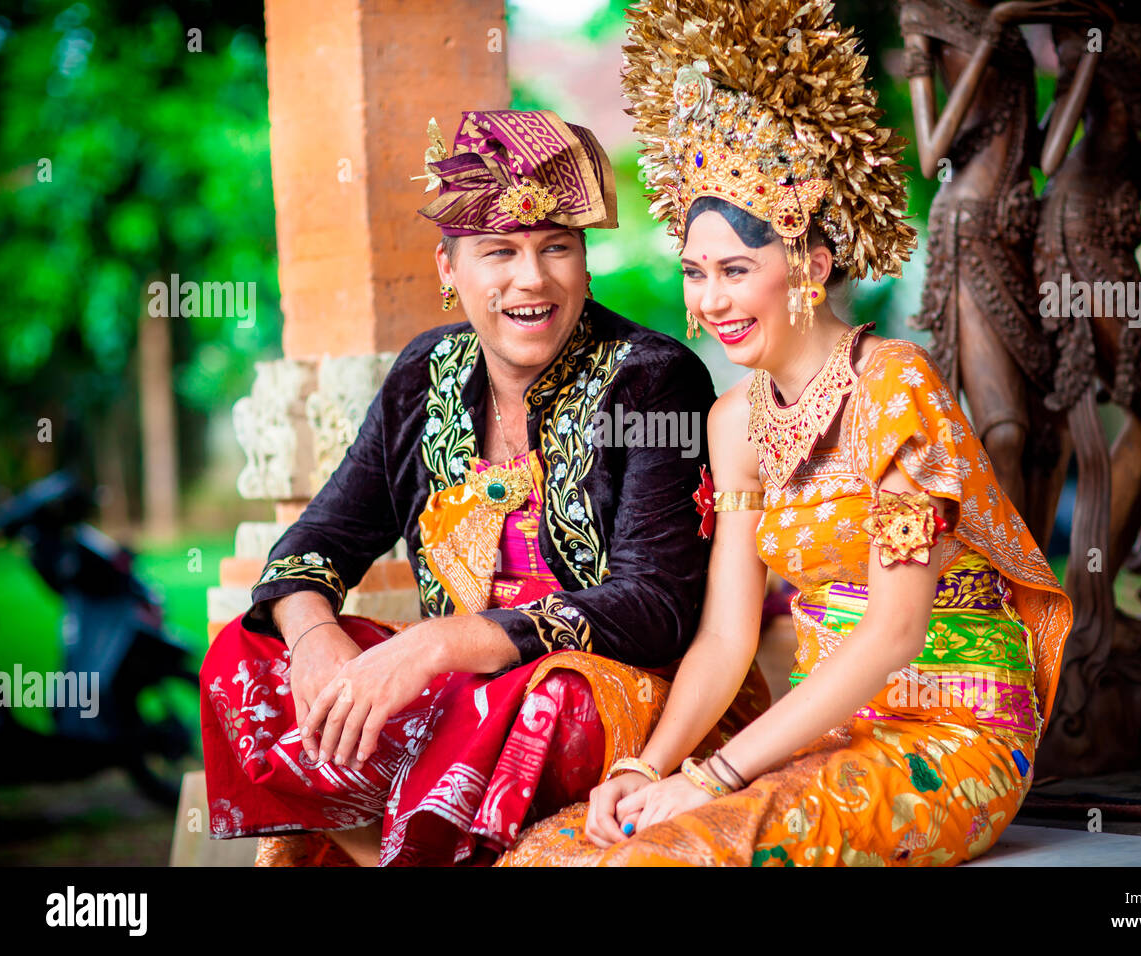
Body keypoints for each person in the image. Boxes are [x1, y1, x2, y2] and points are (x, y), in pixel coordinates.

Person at [498, 0, 1073, 867]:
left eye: (736, 270)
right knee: (555, 850)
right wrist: (646, 765)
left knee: (682, 852)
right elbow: (729, 636)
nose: (711, 301)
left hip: (953, 738)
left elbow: (894, 633)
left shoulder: (897, 389)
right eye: (695, 273)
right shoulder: (734, 424)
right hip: (816, 735)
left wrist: (714, 777)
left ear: (811, 264)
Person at [199, 108, 766, 867]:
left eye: (556, 247)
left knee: (551, 700)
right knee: (242, 652)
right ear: (448, 268)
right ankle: (390, 848)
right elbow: (319, 540)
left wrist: (442, 642)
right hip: (462, 698)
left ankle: (425, 833)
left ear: (585, 262)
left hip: (612, 697)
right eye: (499, 250)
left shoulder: (653, 380)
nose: (532, 279)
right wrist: (312, 639)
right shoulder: (423, 374)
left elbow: (656, 607)